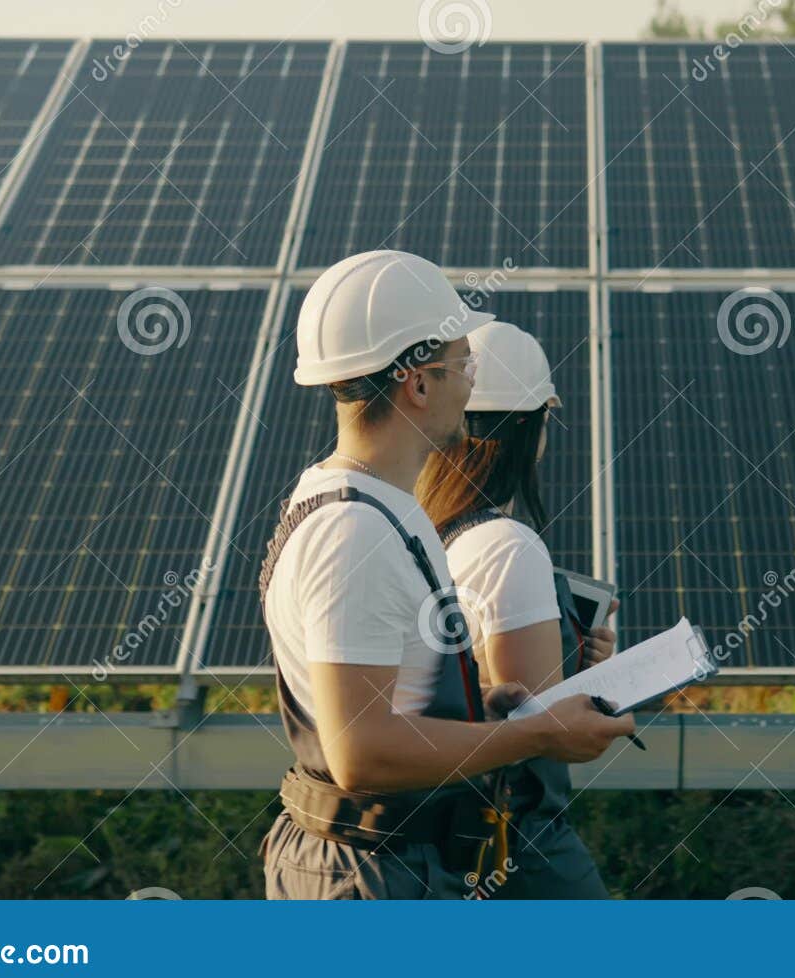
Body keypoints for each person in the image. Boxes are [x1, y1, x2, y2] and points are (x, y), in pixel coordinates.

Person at [258, 250, 635, 900]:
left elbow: (392, 703)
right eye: (464, 364)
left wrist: (480, 706)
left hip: (390, 863)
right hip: (372, 876)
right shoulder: (357, 532)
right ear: (420, 383)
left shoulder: (364, 505)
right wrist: (539, 732)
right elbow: (361, 751)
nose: (471, 383)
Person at [416, 320, 617, 898]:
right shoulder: (509, 546)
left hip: (445, 840)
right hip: (521, 845)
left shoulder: (419, 532)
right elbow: (539, 727)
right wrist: (602, 679)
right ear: (533, 428)